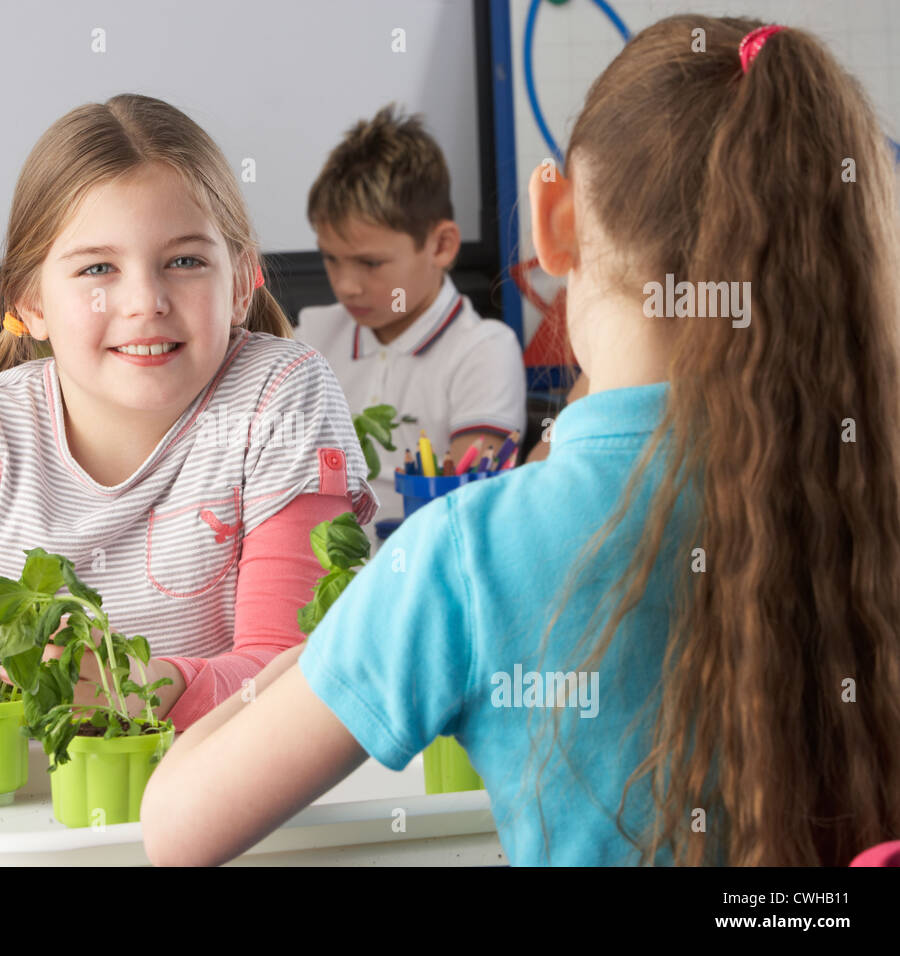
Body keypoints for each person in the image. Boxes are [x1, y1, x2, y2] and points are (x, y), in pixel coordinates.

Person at [141, 17, 900, 866]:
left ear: (553, 217)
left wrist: (332, 646)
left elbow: (177, 825)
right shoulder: (869, 480)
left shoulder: (469, 555)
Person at [0, 94, 375, 762]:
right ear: (29, 302)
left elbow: (294, 682)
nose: (144, 302)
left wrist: (125, 687)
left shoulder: (281, 396)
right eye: (98, 268)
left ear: (242, 281)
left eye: (184, 261)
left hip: (226, 817)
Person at [295, 104, 526, 526]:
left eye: (369, 264)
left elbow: (461, 510)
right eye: (331, 259)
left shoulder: (483, 350)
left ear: (441, 246)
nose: (346, 285)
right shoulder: (312, 334)